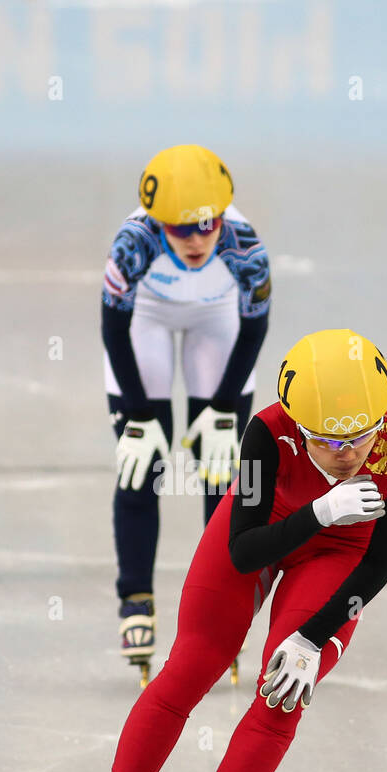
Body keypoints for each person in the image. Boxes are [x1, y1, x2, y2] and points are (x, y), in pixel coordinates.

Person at [71, 328, 387, 772]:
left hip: (341, 555)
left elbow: (379, 564)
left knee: (285, 690)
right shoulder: (268, 431)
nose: (348, 454)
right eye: (326, 441)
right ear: (299, 424)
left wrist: (313, 637)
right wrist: (319, 509)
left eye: (362, 437)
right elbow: (244, 551)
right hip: (269, 530)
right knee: (193, 665)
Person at [101, 144, 271, 683]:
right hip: (145, 319)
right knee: (142, 462)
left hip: (217, 320)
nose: (196, 240)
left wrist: (223, 410)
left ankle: (217, 614)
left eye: (206, 227)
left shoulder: (246, 247)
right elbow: (113, 330)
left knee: (221, 474)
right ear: (158, 223)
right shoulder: (133, 243)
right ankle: (135, 599)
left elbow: (254, 328)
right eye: (181, 230)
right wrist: (136, 413)